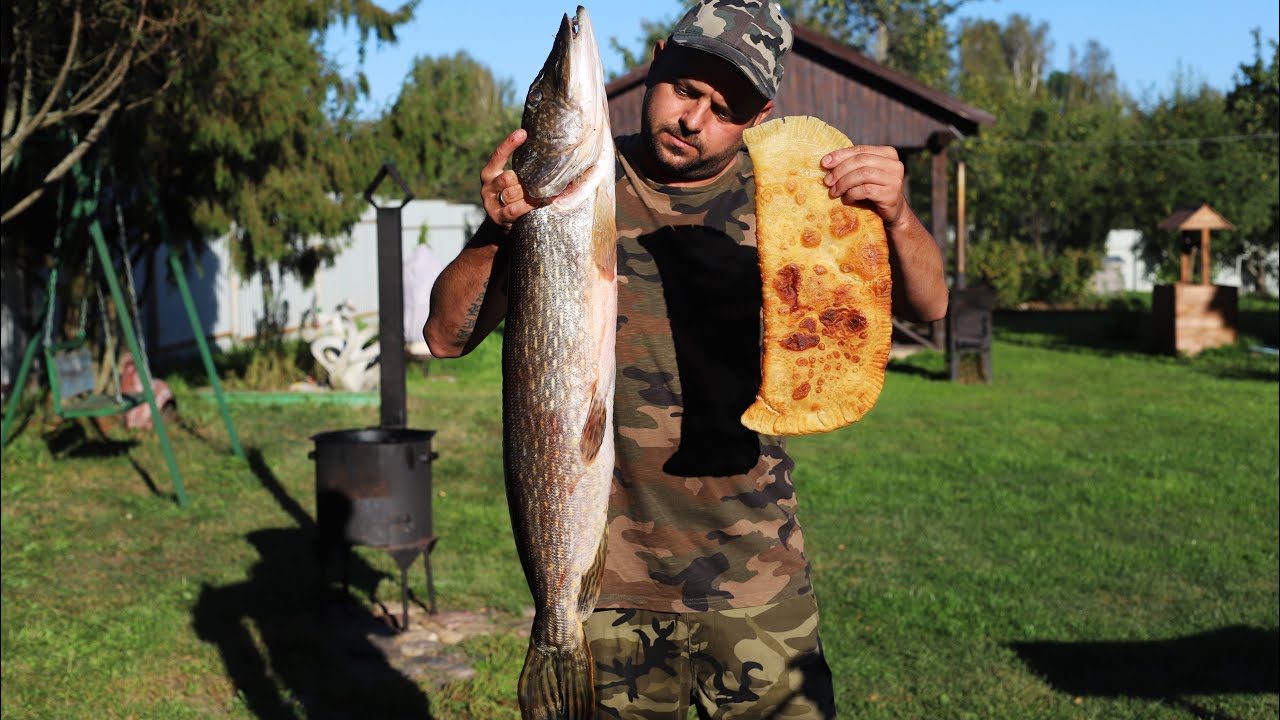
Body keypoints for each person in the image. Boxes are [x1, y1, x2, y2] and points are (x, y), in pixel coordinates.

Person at [425, 1, 948, 716]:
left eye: (722, 107)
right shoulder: (564, 193)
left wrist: (897, 214)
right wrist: (499, 228)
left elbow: (928, 304)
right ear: (657, 60)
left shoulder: (794, 199)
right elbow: (446, 336)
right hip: (605, 590)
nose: (692, 118)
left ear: (759, 115)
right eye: (683, 88)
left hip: (758, 575)